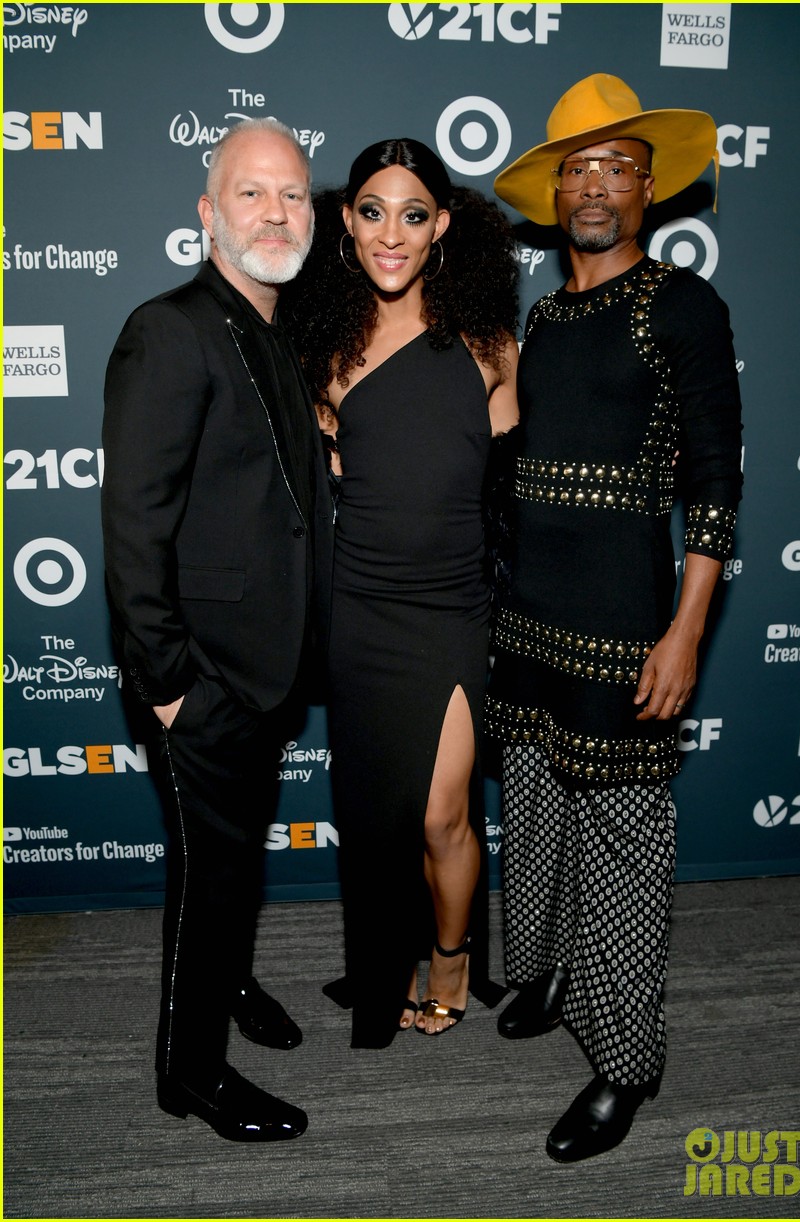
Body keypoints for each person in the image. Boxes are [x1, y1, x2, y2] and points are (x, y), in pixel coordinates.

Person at [486, 74, 743, 1161]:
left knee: (626, 844)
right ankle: (540, 969)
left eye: (615, 166)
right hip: (525, 618)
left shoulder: (679, 303)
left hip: (623, 629)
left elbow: (715, 481)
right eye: (575, 167)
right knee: (537, 814)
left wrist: (683, 631)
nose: (593, 185)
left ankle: (626, 1062)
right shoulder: (540, 315)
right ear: (552, 191)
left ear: (648, 186)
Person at [101, 118, 333, 1141]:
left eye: (293, 195)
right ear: (207, 214)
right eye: (252, 192)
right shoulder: (172, 327)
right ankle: (188, 1074)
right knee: (210, 874)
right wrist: (165, 682)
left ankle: (231, 987)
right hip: (201, 678)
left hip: (265, 666)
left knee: (234, 864)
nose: (276, 211)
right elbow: (134, 523)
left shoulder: (272, 329)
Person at [285, 138, 519, 1047]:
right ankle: (384, 962)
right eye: (373, 211)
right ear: (346, 223)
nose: (392, 233)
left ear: (442, 227)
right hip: (361, 614)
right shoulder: (323, 346)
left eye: (413, 214)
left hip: (454, 610)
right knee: (377, 818)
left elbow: (508, 496)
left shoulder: (490, 347)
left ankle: (453, 961)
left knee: (441, 811)